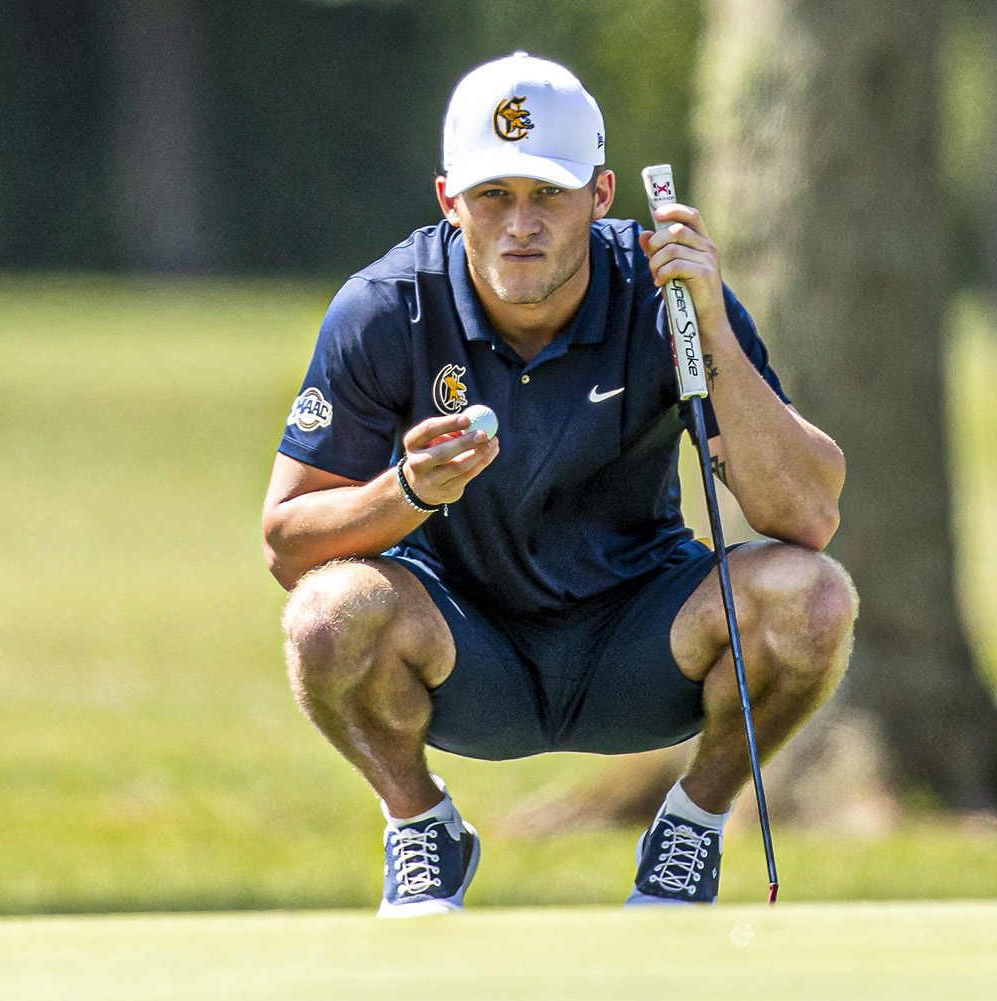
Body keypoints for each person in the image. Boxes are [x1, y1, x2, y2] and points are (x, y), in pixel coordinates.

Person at [261, 52, 855, 916]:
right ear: (448, 201)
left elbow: (804, 514)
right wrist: (409, 492)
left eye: (548, 194)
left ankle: (690, 827)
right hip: (467, 653)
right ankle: (420, 825)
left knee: (813, 599)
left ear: (603, 196)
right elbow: (286, 545)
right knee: (326, 615)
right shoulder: (387, 307)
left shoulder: (669, 295)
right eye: (494, 195)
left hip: (641, 642)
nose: (520, 225)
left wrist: (713, 327)